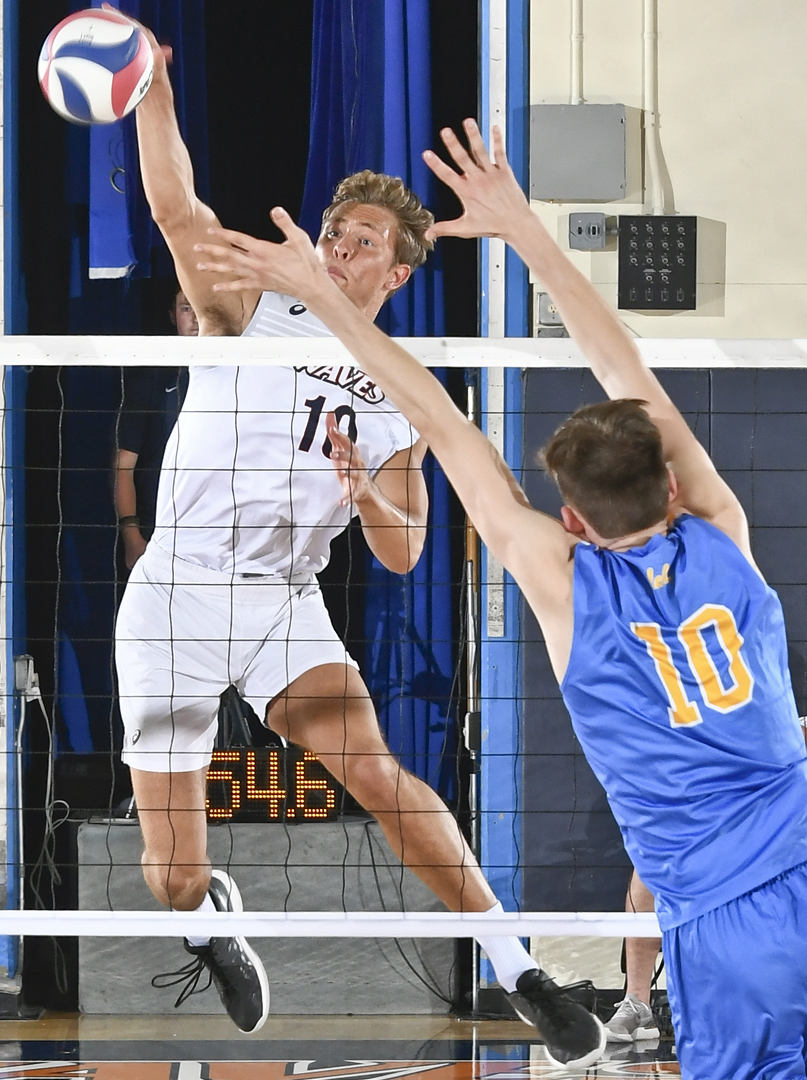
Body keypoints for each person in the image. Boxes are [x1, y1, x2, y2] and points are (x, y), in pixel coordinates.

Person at [191, 118, 807, 1078]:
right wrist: (525, 229)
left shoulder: (564, 587)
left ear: (575, 522)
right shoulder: (723, 536)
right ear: (672, 486)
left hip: (717, 928)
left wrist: (320, 298)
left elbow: (426, 405)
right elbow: (624, 368)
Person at [114, 24, 600, 1059]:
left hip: (286, 600)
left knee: (378, 775)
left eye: (361, 239)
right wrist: (151, 88)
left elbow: (402, 551)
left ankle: (521, 970)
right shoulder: (252, 307)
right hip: (175, 595)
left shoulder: (400, 384)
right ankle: (208, 921)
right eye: (334, 228)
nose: (337, 245)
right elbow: (174, 208)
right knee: (169, 871)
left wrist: (364, 492)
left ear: (399, 269)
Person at [606, 715, 807, 1044]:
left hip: (794, 859)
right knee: (650, 864)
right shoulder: (701, 732)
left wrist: (739, 723)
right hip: (724, 849)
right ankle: (638, 1003)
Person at [112, 290, 196, 571]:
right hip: (157, 533)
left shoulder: (238, 374)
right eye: (186, 308)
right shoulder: (151, 378)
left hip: (215, 535)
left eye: (201, 306)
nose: (195, 318)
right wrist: (133, 537)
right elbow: (123, 467)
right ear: (173, 315)